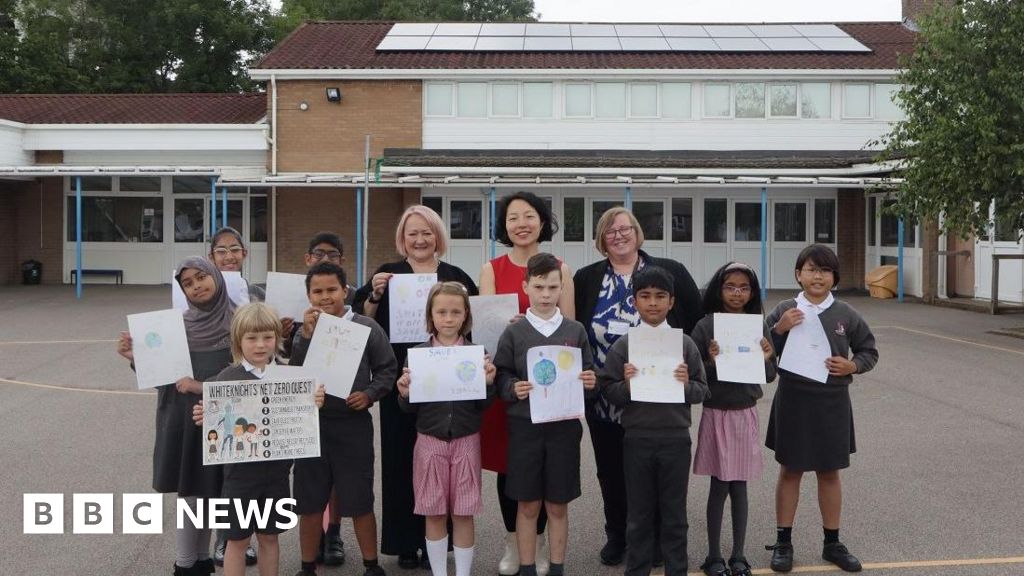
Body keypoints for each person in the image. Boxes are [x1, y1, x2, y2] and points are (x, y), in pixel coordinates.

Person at [573, 207, 702, 566]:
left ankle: (660, 539)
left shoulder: (669, 272)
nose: (619, 235)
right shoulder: (586, 279)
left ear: (637, 232)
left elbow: (697, 318)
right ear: (601, 239)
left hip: (658, 401)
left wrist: (688, 365)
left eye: (625, 228)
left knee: (656, 475)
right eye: (610, 231)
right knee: (611, 471)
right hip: (606, 395)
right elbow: (571, 325)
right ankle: (618, 535)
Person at [353, 205, 478, 569]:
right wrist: (374, 295)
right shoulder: (387, 275)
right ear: (402, 239)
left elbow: (479, 321)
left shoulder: (456, 276)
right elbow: (361, 321)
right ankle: (406, 541)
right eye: (412, 233)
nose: (420, 239)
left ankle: (440, 541)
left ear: (438, 236)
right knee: (402, 459)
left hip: (450, 387)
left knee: (447, 464)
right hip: (401, 381)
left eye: (426, 232)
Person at [764, 244, 879, 573]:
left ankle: (832, 542)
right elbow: (764, 352)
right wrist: (779, 329)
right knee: (790, 470)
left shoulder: (846, 314)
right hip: (793, 400)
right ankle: (783, 541)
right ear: (798, 274)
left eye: (825, 270)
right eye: (810, 269)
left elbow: (869, 350)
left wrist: (852, 366)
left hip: (832, 402)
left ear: (835, 278)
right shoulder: (784, 309)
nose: (817, 276)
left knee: (829, 472)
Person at [190, 302, 327, 576]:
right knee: (237, 540)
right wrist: (205, 417)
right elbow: (215, 422)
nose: (260, 345)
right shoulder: (226, 378)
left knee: (270, 537)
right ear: (238, 340)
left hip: (276, 474)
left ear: (277, 338)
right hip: (239, 478)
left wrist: (313, 403)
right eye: (252, 338)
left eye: (267, 337)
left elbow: (299, 419)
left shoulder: (289, 378)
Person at [117, 257, 234, 576]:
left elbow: (252, 370)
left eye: (201, 277)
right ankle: (184, 564)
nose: (197, 286)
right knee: (192, 493)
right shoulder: (175, 326)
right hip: (183, 418)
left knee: (213, 491)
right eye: (188, 283)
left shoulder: (239, 321)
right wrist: (135, 358)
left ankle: (201, 558)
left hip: (224, 418)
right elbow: (162, 374)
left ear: (216, 277)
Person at [480, 192, 573, 576]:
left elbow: (570, 330)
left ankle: (537, 546)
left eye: (529, 216)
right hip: (511, 386)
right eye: (513, 217)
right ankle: (513, 542)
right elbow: (487, 329)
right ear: (504, 226)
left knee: (548, 468)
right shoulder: (492, 268)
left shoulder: (560, 269)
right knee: (509, 465)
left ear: (542, 221)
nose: (521, 223)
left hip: (551, 388)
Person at [597, 265, 709, 576]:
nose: (653, 303)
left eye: (661, 296)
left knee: (674, 514)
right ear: (634, 302)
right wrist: (628, 385)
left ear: (672, 302)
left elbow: (702, 390)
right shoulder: (625, 345)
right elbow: (608, 390)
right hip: (637, 439)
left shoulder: (684, 344)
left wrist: (686, 385)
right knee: (639, 514)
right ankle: (637, 570)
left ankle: (676, 570)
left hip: (675, 439)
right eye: (645, 296)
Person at [290, 262, 398, 576]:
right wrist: (306, 337)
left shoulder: (365, 326)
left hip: (352, 425)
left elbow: (387, 368)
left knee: (360, 498)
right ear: (308, 295)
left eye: (331, 290)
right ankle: (307, 565)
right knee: (309, 502)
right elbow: (295, 375)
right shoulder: (303, 329)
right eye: (317, 291)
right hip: (313, 424)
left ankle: (371, 565)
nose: (325, 297)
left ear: (345, 290)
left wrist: (369, 393)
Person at [494, 253, 597, 576]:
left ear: (561, 287)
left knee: (557, 504)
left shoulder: (574, 330)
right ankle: (526, 567)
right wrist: (513, 387)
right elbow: (501, 374)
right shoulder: (515, 332)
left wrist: (590, 382)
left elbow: (590, 374)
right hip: (525, 429)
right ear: (526, 287)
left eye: (553, 287)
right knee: (527, 504)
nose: (546, 295)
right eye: (539, 287)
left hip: (563, 429)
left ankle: (556, 567)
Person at [395, 281, 497, 576]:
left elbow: (483, 406)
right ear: (431, 315)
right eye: (441, 312)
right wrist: (404, 393)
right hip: (430, 441)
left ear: (466, 315)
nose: (448, 318)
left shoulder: (477, 353)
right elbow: (409, 408)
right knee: (434, 511)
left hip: (467, 440)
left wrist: (488, 385)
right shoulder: (418, 354)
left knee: (464, 512)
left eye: (455, 312)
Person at [690, 262, 777, 576]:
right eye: (730, 287)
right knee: (718, 485)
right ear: (719, 289)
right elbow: (694, 374)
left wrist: (767, 358)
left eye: (744, 287)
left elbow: (768, 375)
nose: (737, 293)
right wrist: (711, 362)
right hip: (716, 414)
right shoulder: (705, 326)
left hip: (743, 414)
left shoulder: (758, 325)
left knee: (739, 486)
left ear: (751, 292)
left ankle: (738, 556)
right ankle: (713, 556)